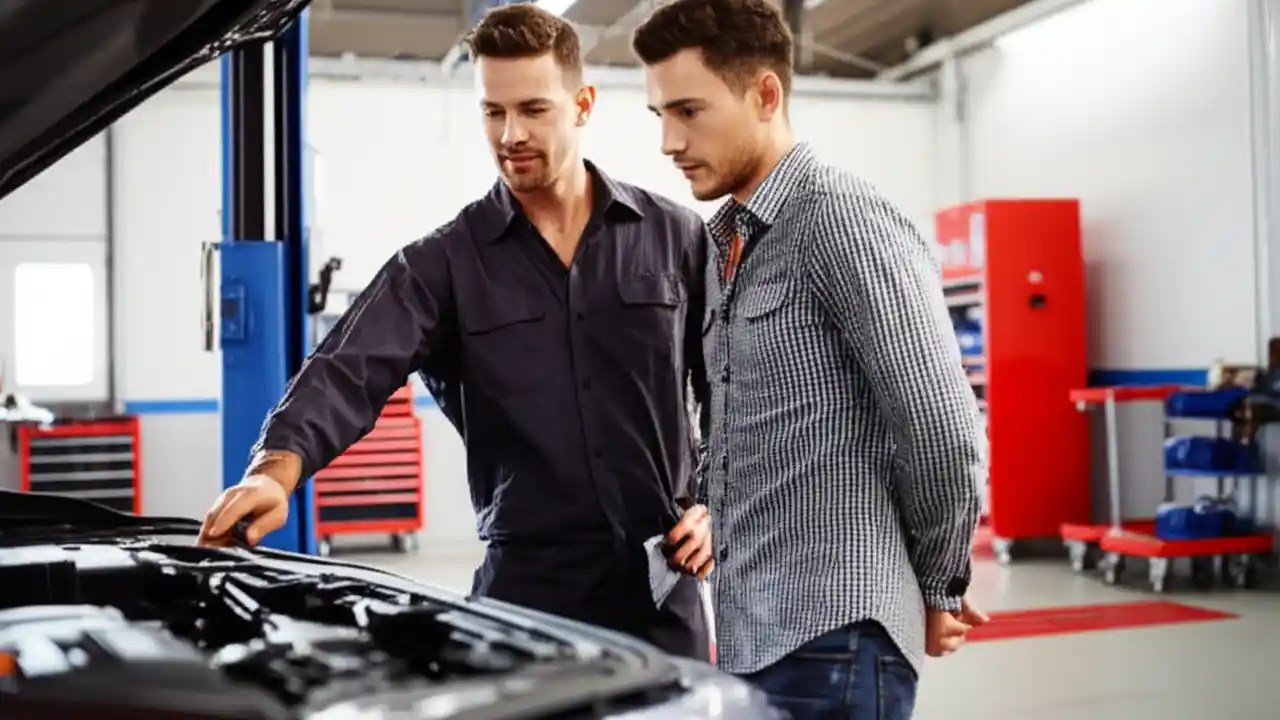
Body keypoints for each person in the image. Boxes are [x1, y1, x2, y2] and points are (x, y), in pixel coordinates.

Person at [197, 3, 715, 662]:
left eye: (534, 109)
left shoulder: (676, 238)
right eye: (492, 112)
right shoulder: (443, 263)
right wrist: (274, 473)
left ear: (582, 105)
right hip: (526, 601)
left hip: (661, 593)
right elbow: (346, 369)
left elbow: (734, 384)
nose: (511, 134)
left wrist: (717, 502)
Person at [631, 0, 990, 715]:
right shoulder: (724, 245)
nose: (669, 141)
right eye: (659, 115)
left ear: (765, 95)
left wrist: (940, 584)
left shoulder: (840, 219)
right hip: (755, 636)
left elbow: (941, 426)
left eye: (690, 111)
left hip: (836, 636)